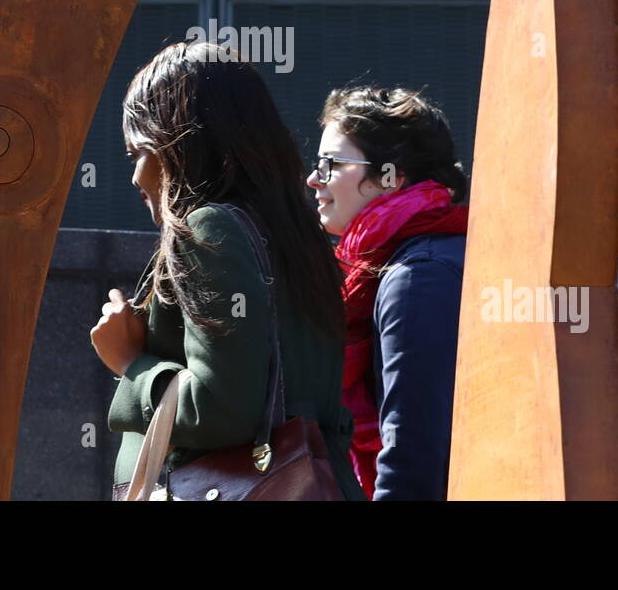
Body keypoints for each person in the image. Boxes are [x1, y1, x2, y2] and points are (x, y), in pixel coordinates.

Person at [91, 41, 364, 500]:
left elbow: (221, 408)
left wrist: (130, 362)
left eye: (138, 152)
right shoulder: (300, 240)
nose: (136, 176)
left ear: (182, 142)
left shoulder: (209, 229)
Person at [309, 86, 469, 500]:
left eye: (332, 164)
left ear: (390, 179)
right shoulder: (419, 256)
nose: (314, 178)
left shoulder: (416, 276)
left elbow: (411, 450)